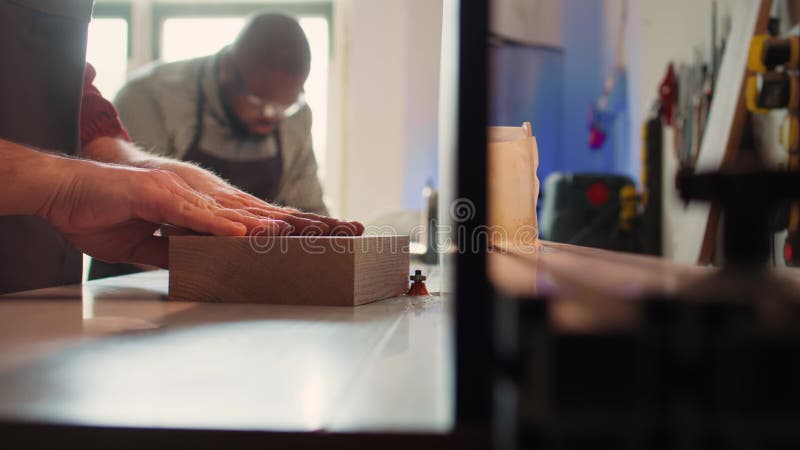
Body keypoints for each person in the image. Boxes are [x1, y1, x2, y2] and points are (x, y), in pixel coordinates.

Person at [0, 0, 361, 295]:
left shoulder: (296, 120)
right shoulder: (155, 96)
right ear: (226, 69)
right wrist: (64, 185)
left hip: (43, 282)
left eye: (285, 107)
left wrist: (148, 172)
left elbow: (66, 92)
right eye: (258, 101)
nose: (271, 118)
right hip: (131, 291)